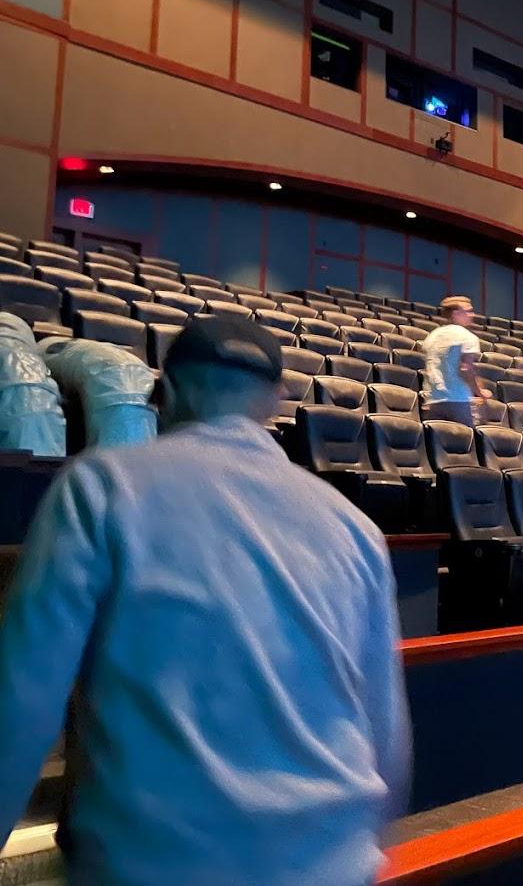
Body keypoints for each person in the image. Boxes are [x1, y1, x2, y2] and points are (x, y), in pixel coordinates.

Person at [0, 316, 410, 885]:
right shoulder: (356, 527)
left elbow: (21, 702)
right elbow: (384, 737)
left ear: (163, 395)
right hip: (334, 863)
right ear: (275, 401)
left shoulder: (100, 487)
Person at [422, 293, 492, 425]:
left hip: (432, 401)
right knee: (464, 444)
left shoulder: (432, 336)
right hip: (457, 401)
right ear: (456, 314)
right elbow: (466, 369)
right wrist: (479, 392)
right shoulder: (467, 336)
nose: (473, 315)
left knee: (436, 444)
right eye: (468, 311)